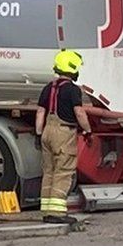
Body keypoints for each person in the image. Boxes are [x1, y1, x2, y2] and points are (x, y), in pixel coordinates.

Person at [34, 50, 91, 224]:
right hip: (63, 133)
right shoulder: (73, 90)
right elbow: (79, 113)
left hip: (47, 132)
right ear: (72, 69)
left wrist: (38, 133)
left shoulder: (47, 88)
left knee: (49, 171)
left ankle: (46, 210)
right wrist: (88, 130)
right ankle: (57, 213)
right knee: (63, 172)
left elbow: (40, 112)